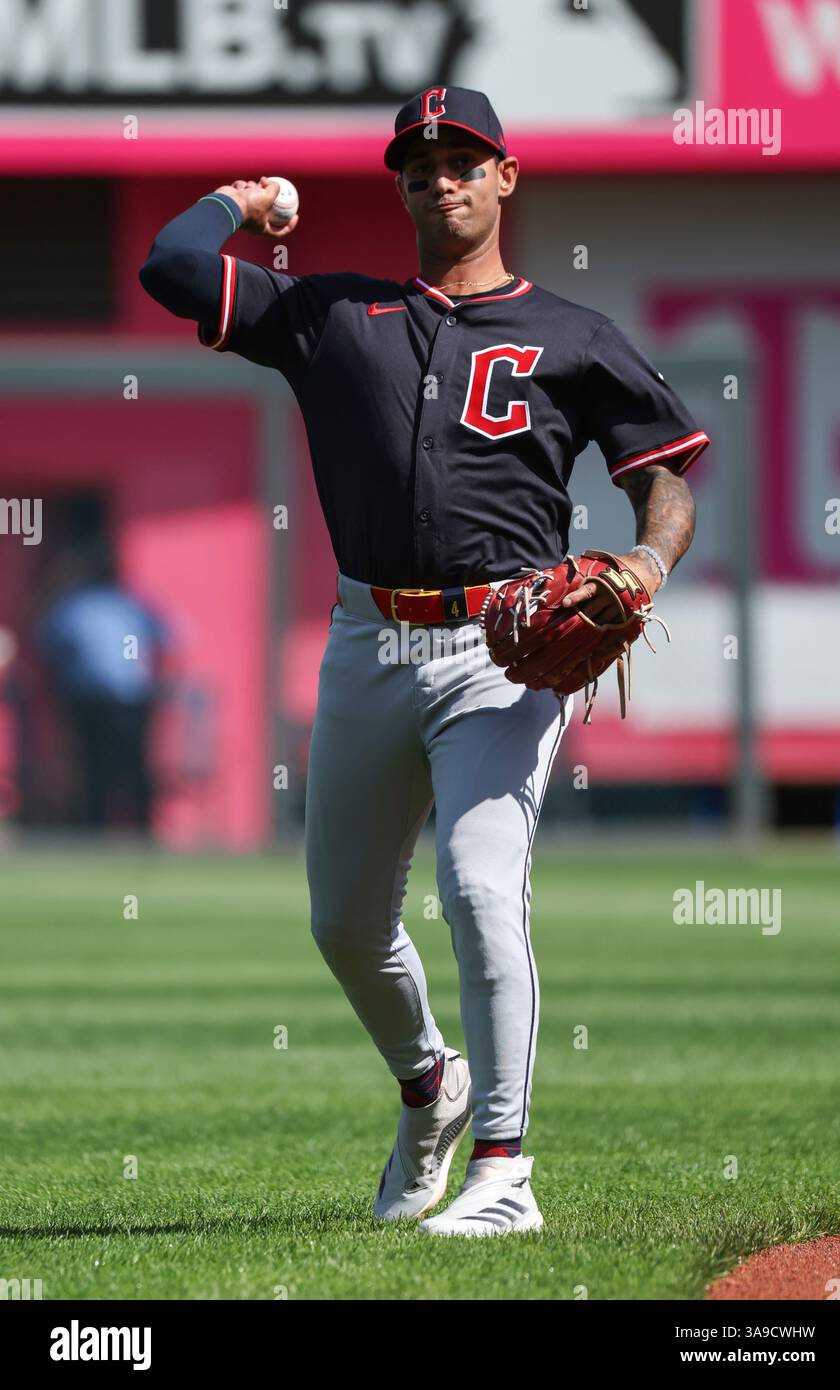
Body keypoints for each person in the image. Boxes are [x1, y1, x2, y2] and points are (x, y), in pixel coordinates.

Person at [139, 86, 708, 1237]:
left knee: (478, 884)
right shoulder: (330, 314)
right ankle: (429, 1085)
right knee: (343, 919)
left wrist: (645, 565)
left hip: (502, 646)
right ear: (399, 185)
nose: (439, 177)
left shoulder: (575, 333)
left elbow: (663, 478)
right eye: (418, 164)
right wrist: (237, 201)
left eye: (463, 160)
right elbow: (169, 265)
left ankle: (505, 1170)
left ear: (506, 176)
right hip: (367, 638)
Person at [35, 544, 168, 831]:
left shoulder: (74, 605)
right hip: (133, 697)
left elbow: (48, 642)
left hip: (91, 698)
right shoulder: (133, 603)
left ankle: (95, 828)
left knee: (92, 764)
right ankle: (143, 828)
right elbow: (169, 637)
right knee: (133, 762)